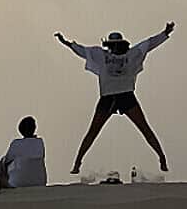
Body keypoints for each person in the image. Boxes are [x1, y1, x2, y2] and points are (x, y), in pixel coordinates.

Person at [55, 23, 175, 175]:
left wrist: (164, 34)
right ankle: (77, 162)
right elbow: (83, 51)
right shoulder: (102, 55)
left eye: (117, 45)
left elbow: (150, 43)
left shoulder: (131, 54)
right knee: (93, 131)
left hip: (126, 95)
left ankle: (162, 158)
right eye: (112, 45)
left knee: (144, 128)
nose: (115, 48)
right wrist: (67, 43)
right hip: (108, 97)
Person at [1, 116, 47, 188]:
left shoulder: (16, 143)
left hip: (18, 182)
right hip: (40, 181)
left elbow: (6, 161)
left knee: (2, 164)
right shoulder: (39, 142)